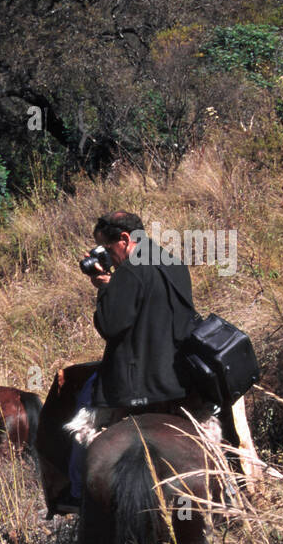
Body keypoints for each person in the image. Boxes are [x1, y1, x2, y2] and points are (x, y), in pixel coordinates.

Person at [62, 211, 199, 510]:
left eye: (110, 249)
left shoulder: (131, 270)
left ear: (125, 239)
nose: (111, 256)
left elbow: (110, 325)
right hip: (178, 374)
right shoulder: (170, 261)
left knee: (81, 413)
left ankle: (77, 497)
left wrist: (104, 289)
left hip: (140, 379)